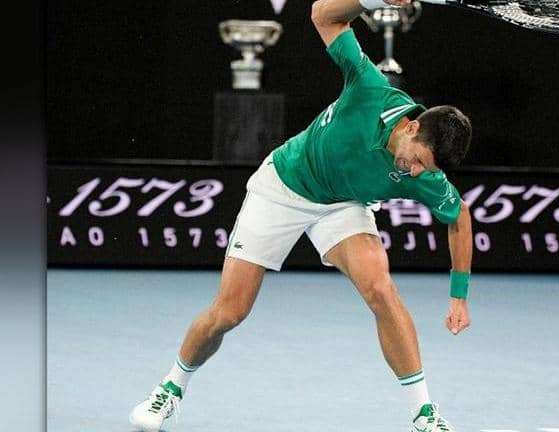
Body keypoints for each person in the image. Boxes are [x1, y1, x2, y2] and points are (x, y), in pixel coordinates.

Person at [129, 0, 474, 430]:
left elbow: (459, 217)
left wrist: (458, 294)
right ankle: (170, 389)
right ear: (410, 127)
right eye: (418, 159)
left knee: (381, 291)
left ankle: (424, 414)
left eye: (428, 169)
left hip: (341, 205)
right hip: (284, 186)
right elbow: (323, 13)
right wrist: (373, 0)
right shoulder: (369, 87)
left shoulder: (423, 174)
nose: (417, 173)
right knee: (230, 312)